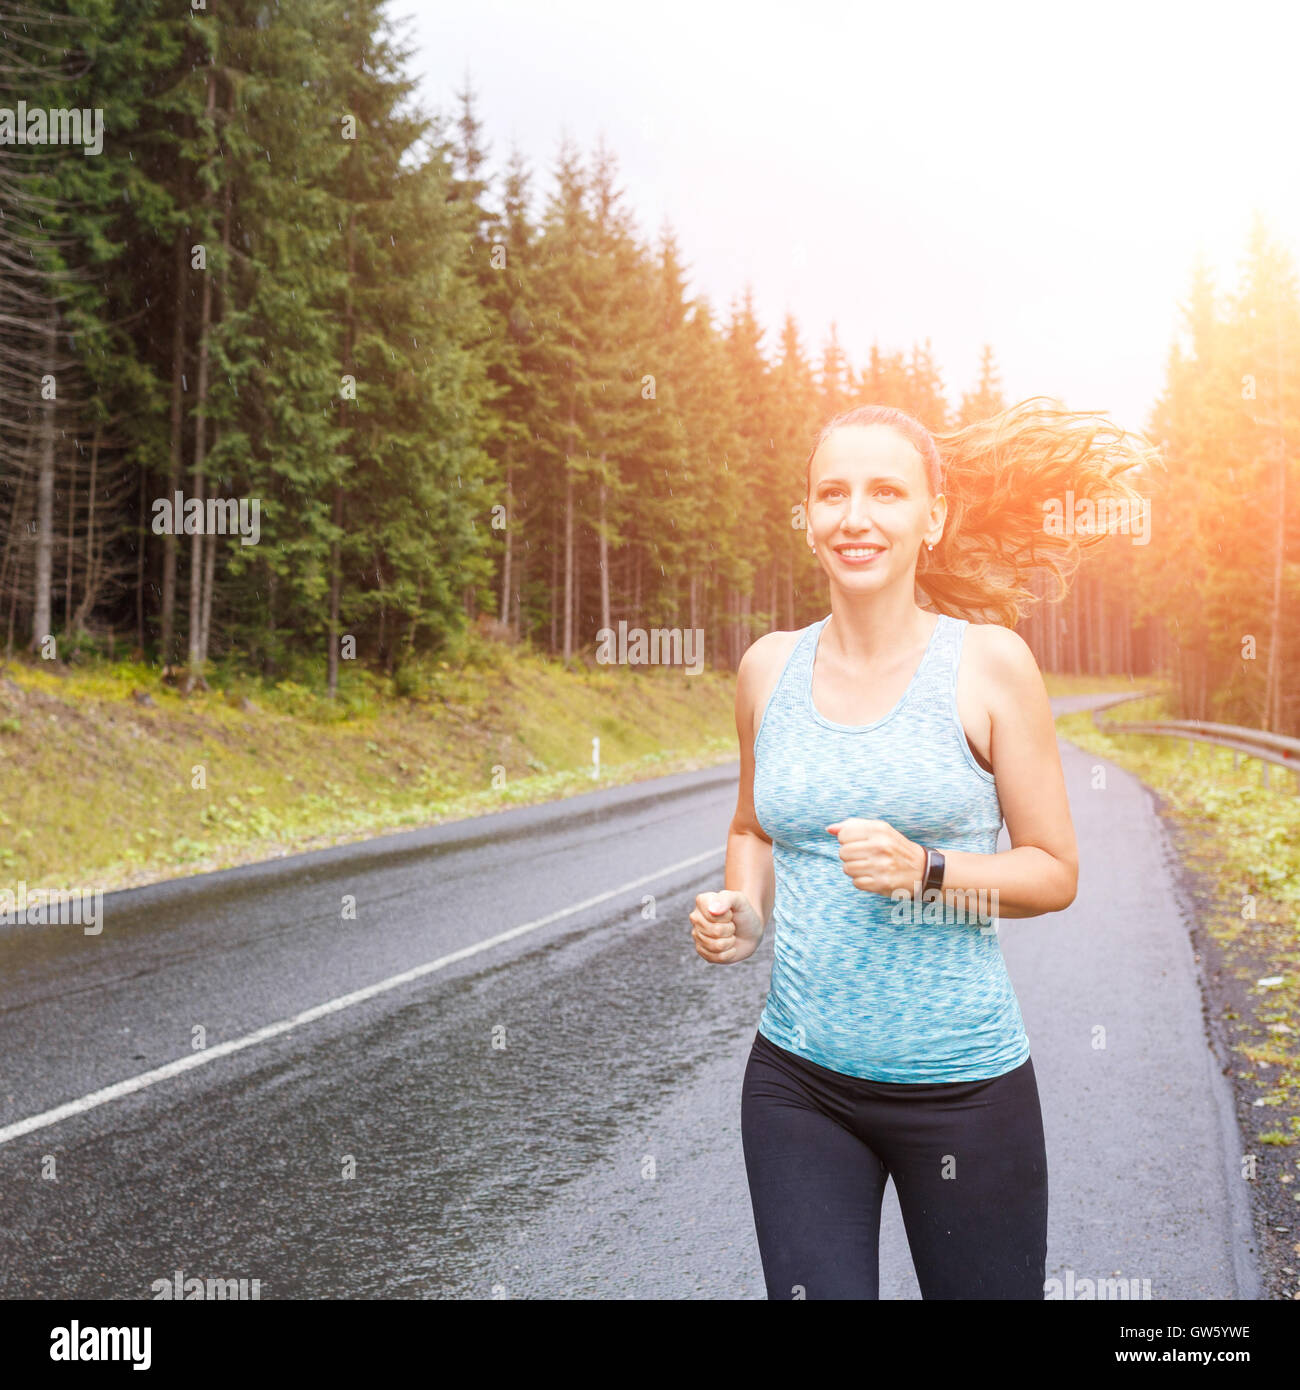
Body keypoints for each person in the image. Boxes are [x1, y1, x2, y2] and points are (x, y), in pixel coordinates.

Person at [689, 398, 1158, 1300]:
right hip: (798, 1087)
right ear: (808, 516)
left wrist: (931, 873)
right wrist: (744, 912)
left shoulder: (988, 665)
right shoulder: (767, 669)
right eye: (832, 493)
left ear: (932, 518)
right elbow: (753, 824)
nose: (854, 516)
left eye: (886, 492)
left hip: (965, 1095)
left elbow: (1053, 873)